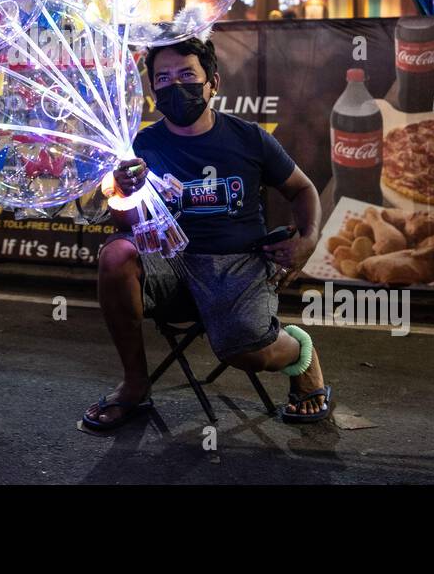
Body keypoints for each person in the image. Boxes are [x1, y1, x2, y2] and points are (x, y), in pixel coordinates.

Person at [82, 36, 331, 431]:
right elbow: (124, 224)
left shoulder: (248, 138)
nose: (174, 86)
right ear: (153, 91)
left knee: (247, 352)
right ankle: (134, 384)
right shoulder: (141, 145)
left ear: (212, 83)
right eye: (163, 78)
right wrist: (121, 193)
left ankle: (300, 350)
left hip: (237, 264)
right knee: (115, 256)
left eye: (186, 75)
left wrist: (310, 238)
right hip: (169, 264)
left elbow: (302, 190)